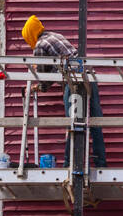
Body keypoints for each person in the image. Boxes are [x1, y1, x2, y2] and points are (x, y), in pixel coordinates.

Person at [21, 15, 107, 169]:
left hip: (74, 80)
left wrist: (37, 87)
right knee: (95, 121)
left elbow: (44, 80)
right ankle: (101, 163)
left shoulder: (40, 45)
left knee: (73, 123)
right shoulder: (55, 35)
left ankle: (70, 164)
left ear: (30, 34)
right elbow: (61, 63)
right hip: (89, 76)